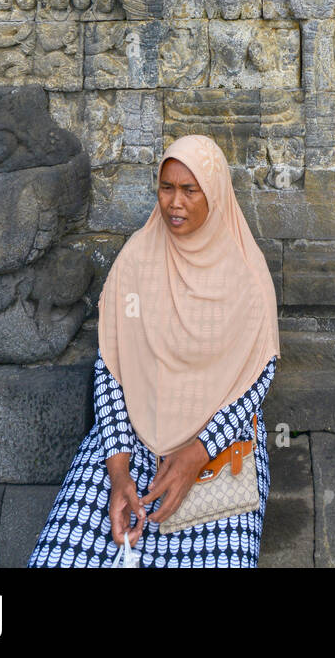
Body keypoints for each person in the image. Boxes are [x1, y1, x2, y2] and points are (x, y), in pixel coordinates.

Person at [28, 134, 280, 568]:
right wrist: (119, 470)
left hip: (217, 447)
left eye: (190, 189)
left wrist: (195, 456)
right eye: (167, 188)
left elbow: (255, 383)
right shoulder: (137, 260)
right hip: (130, 439)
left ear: (214, 194)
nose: (174, 203)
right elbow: (112, 369)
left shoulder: (247, 277)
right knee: (61, 557)